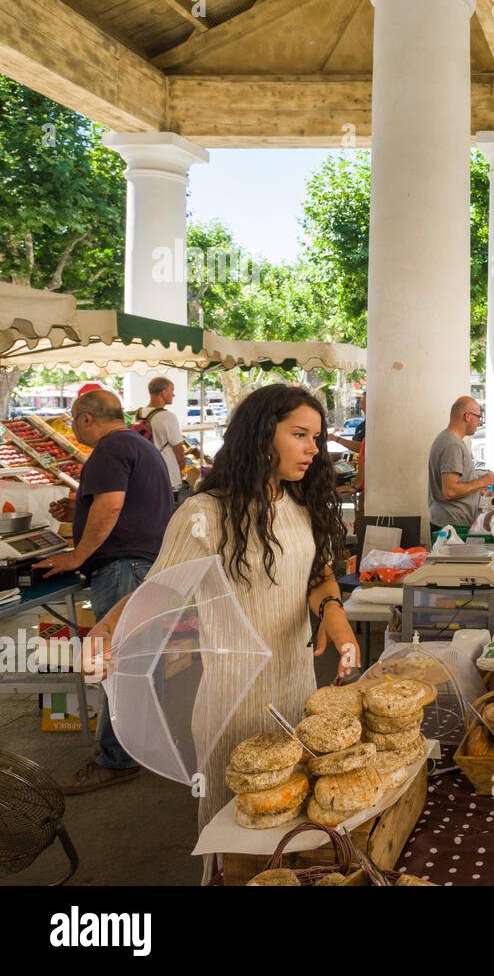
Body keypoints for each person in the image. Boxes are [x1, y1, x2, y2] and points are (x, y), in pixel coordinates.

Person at [84, 384, 360, 880]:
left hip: (299, 694)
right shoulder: (204, 515)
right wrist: (107, 627)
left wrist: (334, 613)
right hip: (233, 703)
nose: (313, 449)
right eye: (299, 434)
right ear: (259, 436)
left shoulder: (302, 506)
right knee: (238, 844)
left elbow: (318, 576)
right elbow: (160, 592)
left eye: (316, 438)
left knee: (294, 834)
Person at [37, 388, 172, 794]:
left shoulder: (109, 449)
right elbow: (112, 504)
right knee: (140, 664)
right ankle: (139, 747)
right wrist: (77, 508)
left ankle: (117, 759)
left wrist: (77, 555)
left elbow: (111, 506)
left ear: (86, 418)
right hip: (144, 566)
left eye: (75, 420)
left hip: (123, 568)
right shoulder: (138, 445)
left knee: (117, 665)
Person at [428, 396, 494, 527]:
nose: (479, 422)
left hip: (450, 520)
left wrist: (476, 489)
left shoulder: (450, 439)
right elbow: (450, 491)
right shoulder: (452, 445)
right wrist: (481, 482)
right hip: (451, 524)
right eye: (479, 417)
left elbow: (457, 484)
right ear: (467, 416)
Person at [138, 376, 188, 505]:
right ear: (163, 392)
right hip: (166, 475)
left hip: (142, 473)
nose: (174, 394)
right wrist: (181, 467)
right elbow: (178, 449)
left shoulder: (137, 414)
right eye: (172, 391)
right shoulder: (168, 417)